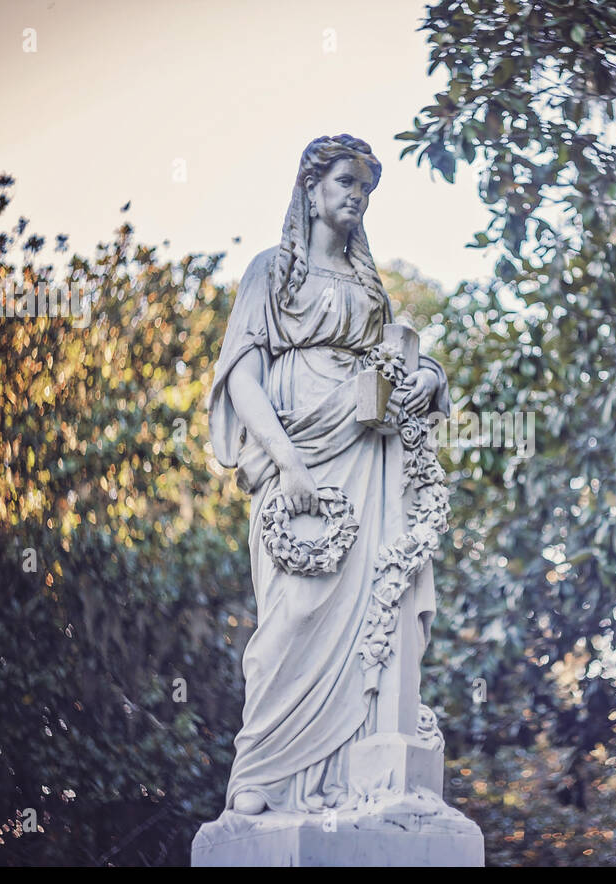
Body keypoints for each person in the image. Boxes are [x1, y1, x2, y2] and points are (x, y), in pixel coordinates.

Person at [206, 134, 449, 815]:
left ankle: (349, 777)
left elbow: (394, 363)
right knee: (295, 611)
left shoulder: (369, 289)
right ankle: (263, 772)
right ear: (311, 189)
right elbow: (243, 376)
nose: (356, 195)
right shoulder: (268, 273)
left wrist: (426, 377)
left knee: (374, 599)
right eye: (346, 181)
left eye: (365, 188)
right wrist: (285, 461)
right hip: (297, 456)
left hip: (365, 455)